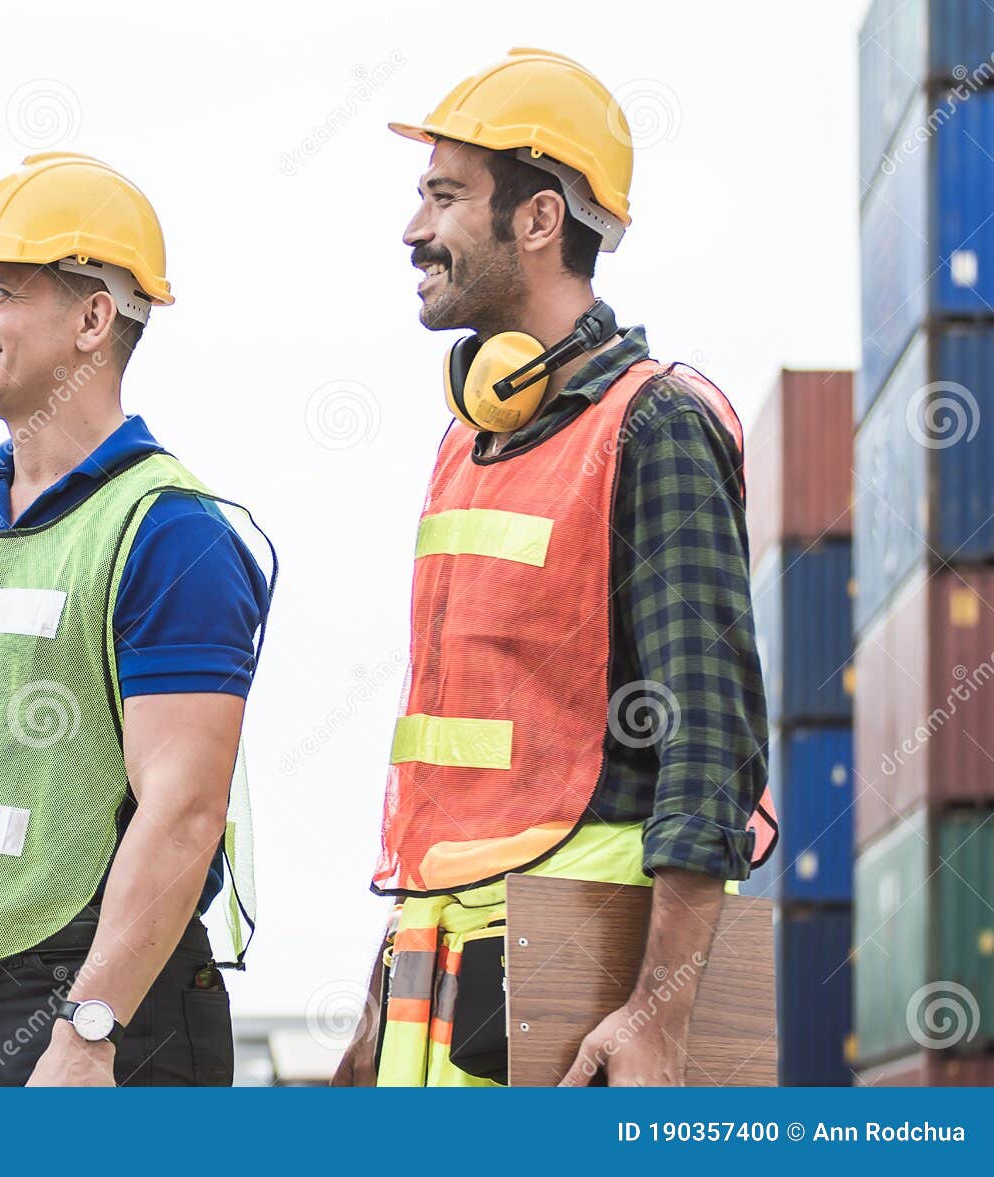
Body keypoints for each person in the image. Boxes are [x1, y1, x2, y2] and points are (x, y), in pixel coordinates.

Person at [333, 48, 776, 1088]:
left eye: (444, 197)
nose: (413, 230)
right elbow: (458, 778)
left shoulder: (654, 424)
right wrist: (380, 995)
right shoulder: (466, 441)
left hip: (571, 994)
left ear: (537, 220)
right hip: (440, 981)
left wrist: (660, 1017)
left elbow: (711, 742)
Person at [0, 153, 273, 1088]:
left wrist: (89, 1030)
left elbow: (184, 812)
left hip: (109, 1007)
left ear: (93, 319)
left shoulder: (171, 534)